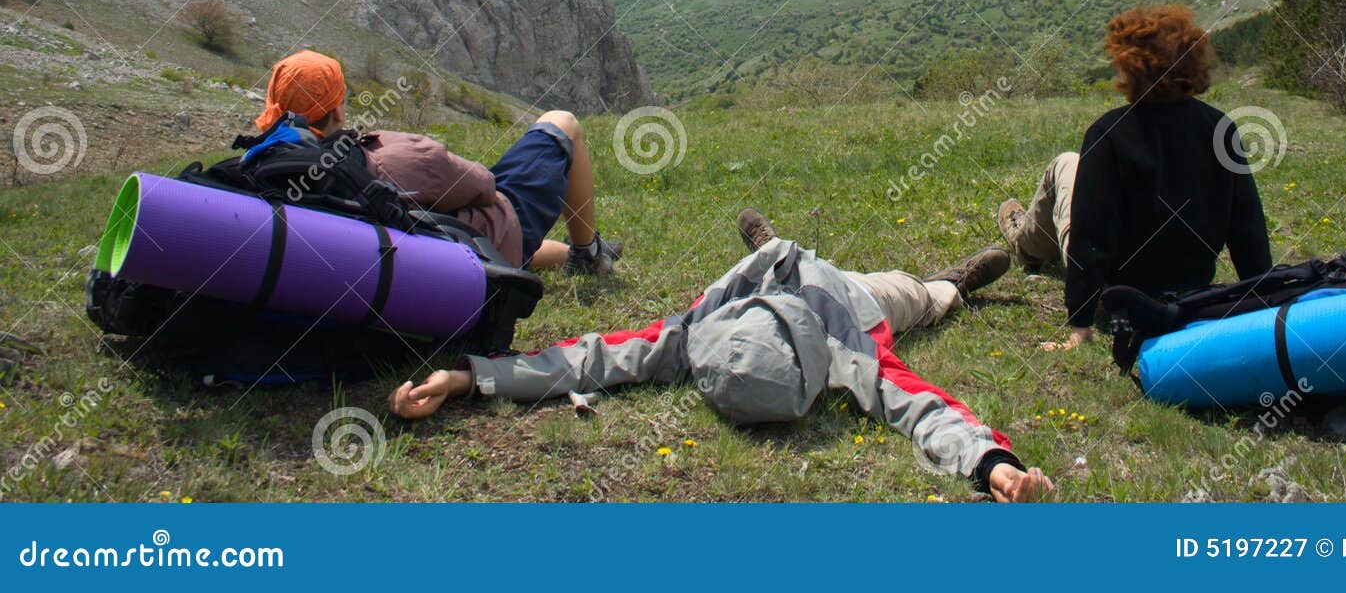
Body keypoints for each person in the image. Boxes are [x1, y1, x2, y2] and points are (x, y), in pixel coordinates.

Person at [389, 209, 1054, 503]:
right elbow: (923, 409)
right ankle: (944, 282)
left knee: (878, 282)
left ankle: (788, 244)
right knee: (896, 289)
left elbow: (588, 359)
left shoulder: (708, 331)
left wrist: (467, 377)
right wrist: (994, 461)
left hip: (818, 284)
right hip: (816, 285)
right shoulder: (827, 345)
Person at [996, 4, 1272, 351]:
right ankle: (1028, 239)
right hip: (1190, 293)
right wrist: (1261, 305)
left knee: (1065, 164)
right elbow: (1248, 230)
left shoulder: (1109, 132)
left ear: (1129, 66)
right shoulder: (1222, 129)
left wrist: (1080, 325)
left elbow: (1090, 237)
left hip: (1115, 296)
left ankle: (1025, 244)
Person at [252, 50, 620, 273]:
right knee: (562, 123)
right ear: (336, 107)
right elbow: (483, 186)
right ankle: (588, 252)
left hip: (405, 253)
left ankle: (575, 256)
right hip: (475, 254)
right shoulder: (390, 155)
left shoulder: (266, 173)